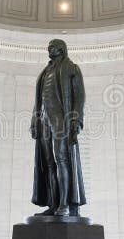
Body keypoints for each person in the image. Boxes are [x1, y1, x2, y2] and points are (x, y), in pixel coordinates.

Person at [30, 39, 87, 216]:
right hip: (45, 120)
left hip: (61, 119)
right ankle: (53, 204)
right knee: (48, 163)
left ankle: (65, 204)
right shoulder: (45, 72)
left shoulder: (71, 68)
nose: (49, 48)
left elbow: (79, 96)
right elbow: (38, 102)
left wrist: (76, 120)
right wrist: (34, 121)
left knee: (62, 159)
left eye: (52, 46)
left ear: (61, 49)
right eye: (48, 46)